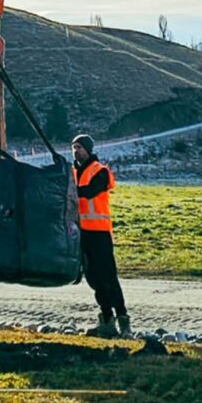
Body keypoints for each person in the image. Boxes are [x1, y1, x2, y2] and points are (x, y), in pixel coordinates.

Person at [72, 134, 129, 338]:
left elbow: (89, 192)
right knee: (94, 279)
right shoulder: (73, 173)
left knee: (108, 277)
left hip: (100, 233)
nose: (75, 151)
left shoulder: (100, 171)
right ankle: (107, 320)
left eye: (79, 147)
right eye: (74, 147)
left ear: (88, 149)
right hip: (82, 233)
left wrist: (69, 191)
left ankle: (123, 319)